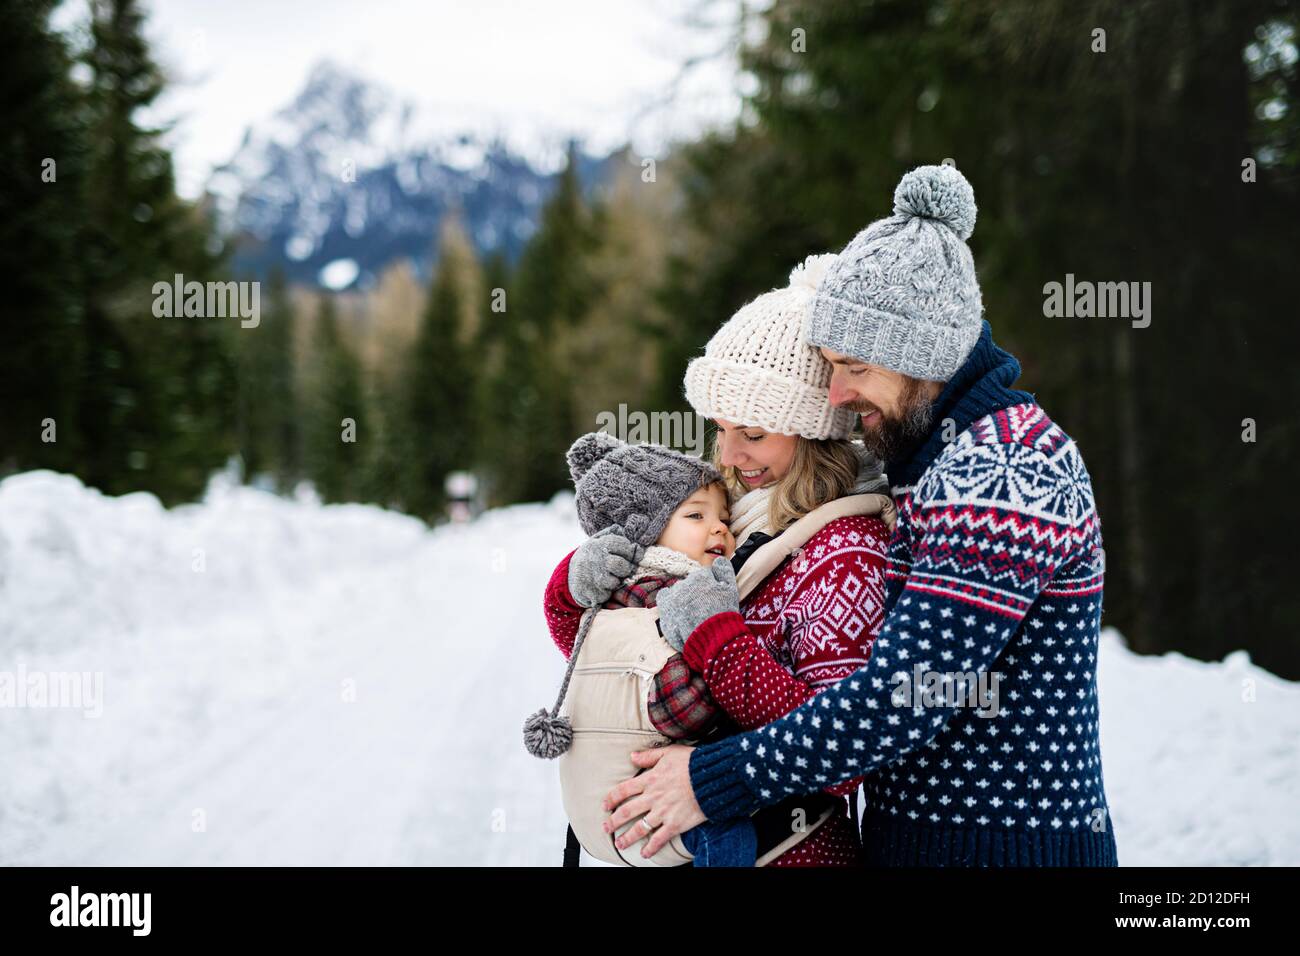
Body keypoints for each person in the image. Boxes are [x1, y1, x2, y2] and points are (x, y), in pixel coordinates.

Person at [600, 164, 1120, 867]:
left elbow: (902, 698)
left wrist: (712, 781)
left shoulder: (1006, 470)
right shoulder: (933, 461)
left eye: (854, 366)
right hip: (925, 846)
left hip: (1003, 852)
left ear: (923, 356)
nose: (837, 393)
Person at [543, 254, 896, 866]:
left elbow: (840, 753)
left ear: (816, 434)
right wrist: (572, 590)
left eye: (754, 433)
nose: (729, 454)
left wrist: (718, 640)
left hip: (792, 853)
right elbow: (613, 656)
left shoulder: (843, 554)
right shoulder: (731, 517)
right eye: (721, 428)